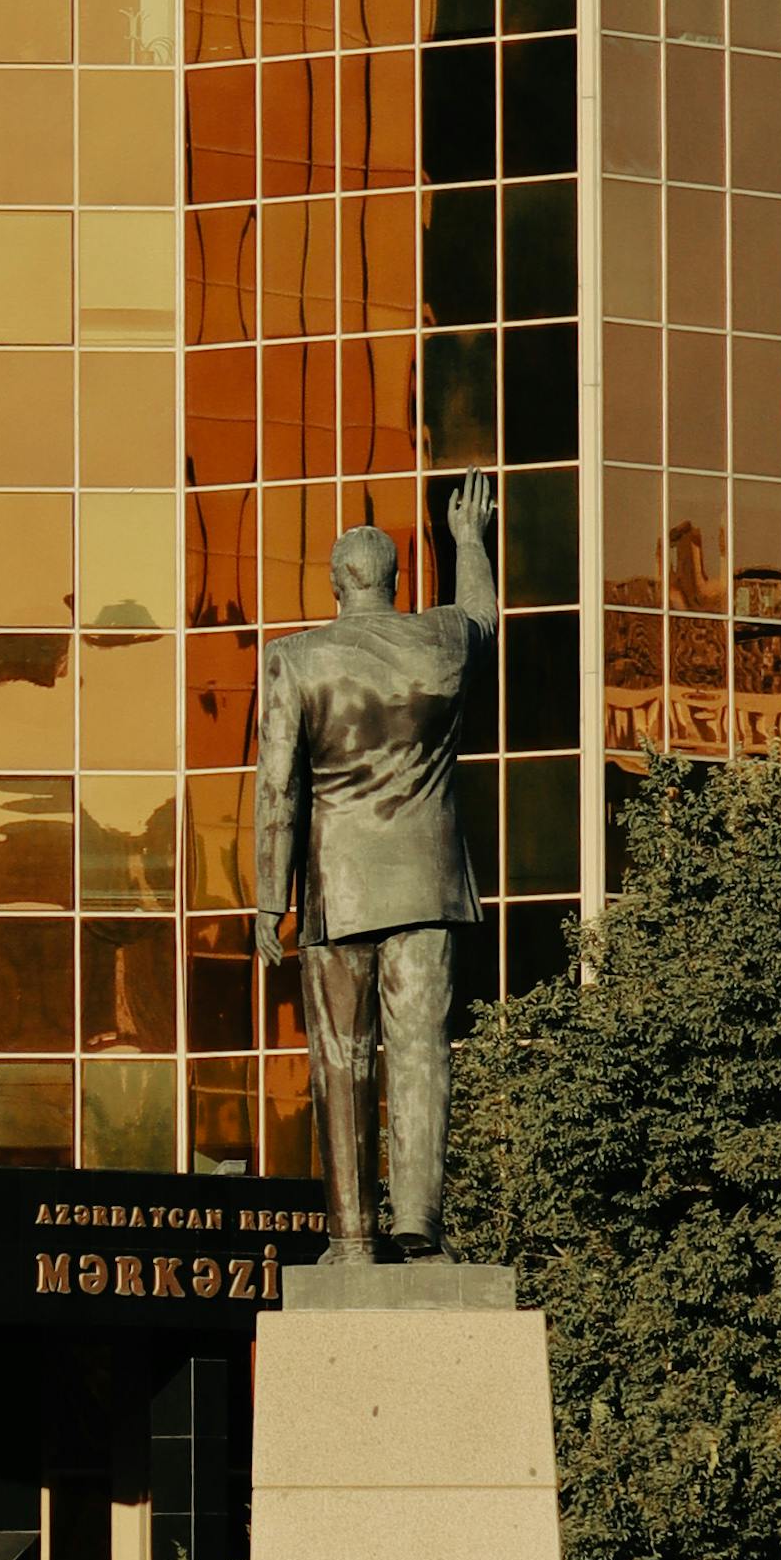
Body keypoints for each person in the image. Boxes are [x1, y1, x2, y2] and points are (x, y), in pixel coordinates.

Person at [251, 475, 498, 1257]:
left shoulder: (296, 660)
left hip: (340, 889)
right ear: (393, 581)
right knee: (422, 1047)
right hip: (427, 884)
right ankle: (418, 1222)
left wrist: (269, 900)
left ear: (336, 584)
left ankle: (354, 1238)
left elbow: (278, 790)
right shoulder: (439, 640)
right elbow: (483, 620)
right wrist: (468, 543)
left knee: (341, 1056)